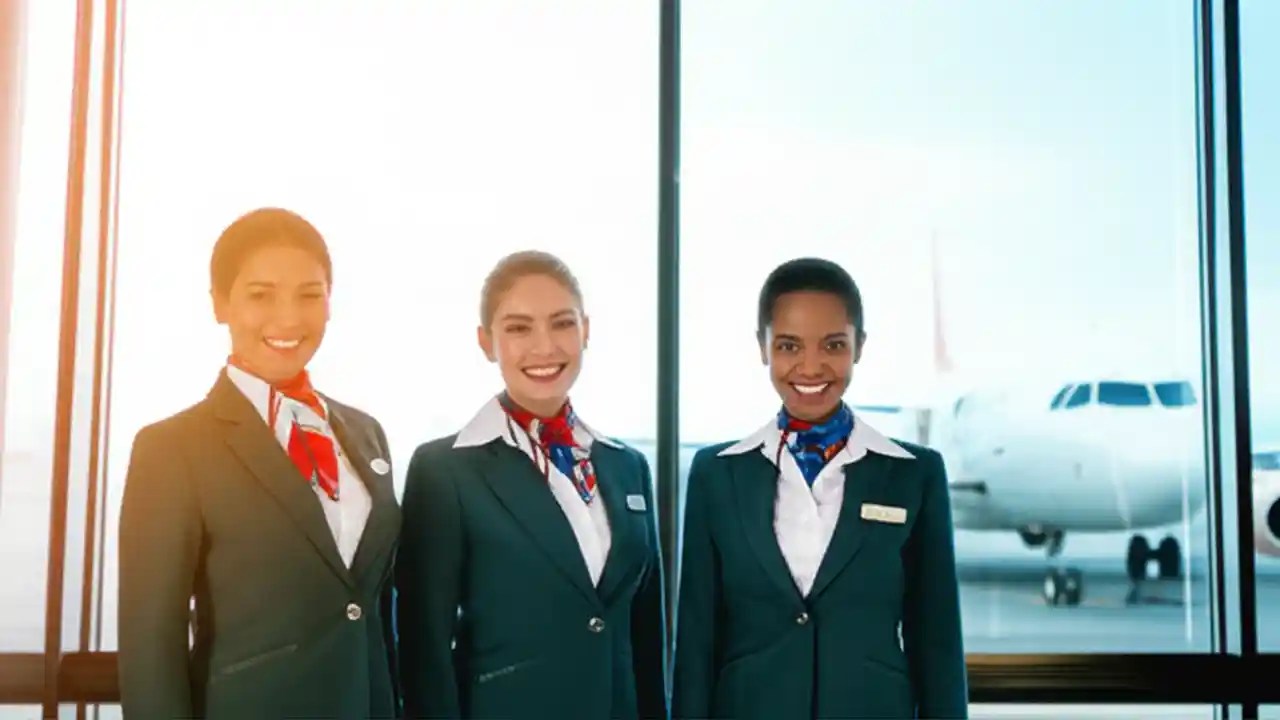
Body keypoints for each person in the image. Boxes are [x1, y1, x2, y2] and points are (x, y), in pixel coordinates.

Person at [117, 207, 401, 719]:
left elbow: (372, 608)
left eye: (309, 294)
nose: (288, 317)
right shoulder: (173, 448)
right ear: (220, 304)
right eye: (261, 295)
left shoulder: (366, 434)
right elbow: (150, 648)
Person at [672, 257, 968, 719]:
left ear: (859, 346)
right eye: (789, 345)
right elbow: (696, 643)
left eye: (833, 345)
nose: (811, 367)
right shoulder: (716, 474)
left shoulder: (914, 475)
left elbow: (938, 644)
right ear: (763, 346)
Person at [396, 250, 667, 719]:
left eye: (562, 324)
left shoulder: (627, 467)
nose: (544, 347)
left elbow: (646, 642)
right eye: (519, 328)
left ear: (586, 330)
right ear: (487, 342)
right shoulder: (445, 471)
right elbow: (426, 653)